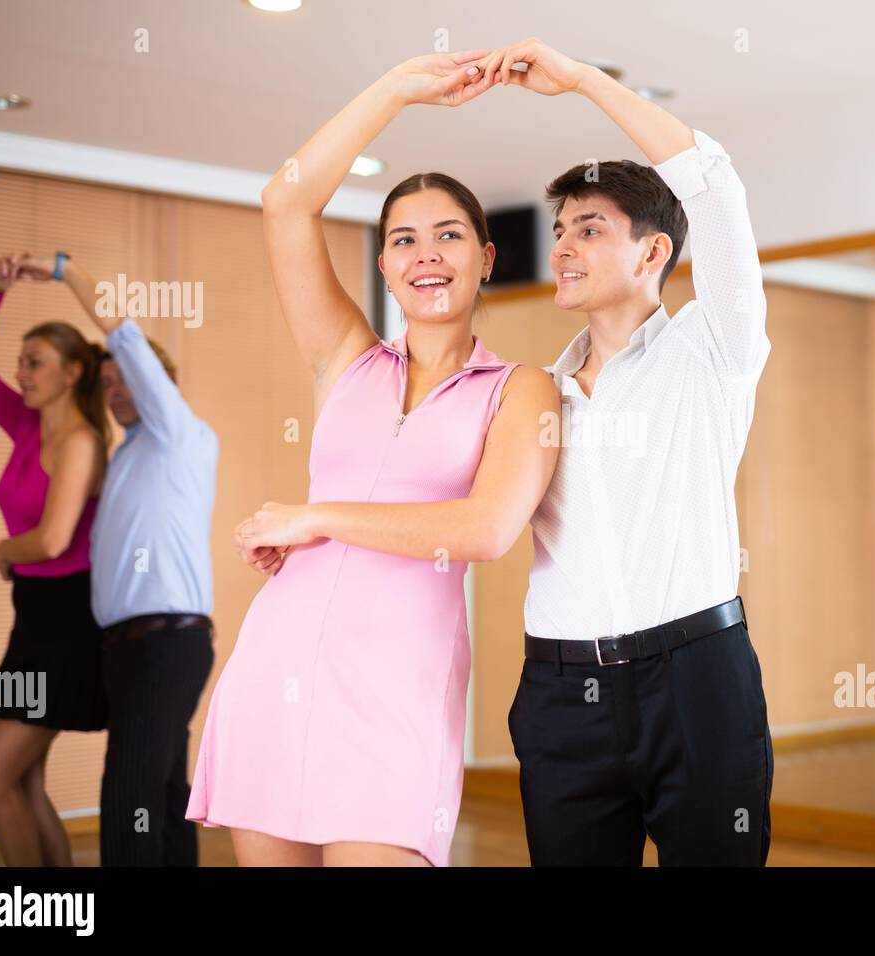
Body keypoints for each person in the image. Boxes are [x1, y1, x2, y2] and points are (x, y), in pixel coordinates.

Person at [187, 50, 559, 867]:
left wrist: (315, 516)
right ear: (386, 265)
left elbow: (486, 529)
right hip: (279, 668)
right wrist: (395, 90)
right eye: (404, 240)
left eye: (450, 235)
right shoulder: (345, 358)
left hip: (398, 692)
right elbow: (286, 199)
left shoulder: (522, 389)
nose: (427, 254)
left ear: (486, 258)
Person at [482, 38, 773, 866]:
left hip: (698, 682)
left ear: (653, 253)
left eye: (590, 228)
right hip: (560, 696)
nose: (563, 246)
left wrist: (580, 81)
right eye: (560, 229)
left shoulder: (714, 350)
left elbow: (712, 185)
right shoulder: (531, 393)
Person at [7, 252, 219, 866]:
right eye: (105, 384)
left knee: (128, 792)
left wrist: (63, 270)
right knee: (159, 788)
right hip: (127, 645)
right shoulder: (123, 456)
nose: (115, 388)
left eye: (125, 377)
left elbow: (121, 332)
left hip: (165, 641)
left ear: (157, 379)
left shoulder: (180, 434)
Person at [0, 254, 110, 865]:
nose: (21, 373)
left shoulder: (81, 442)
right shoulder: (23, 426)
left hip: (68, 625)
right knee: (24, 781)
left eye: (35, 363)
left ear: (73, 372)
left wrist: (1, 550)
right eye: (20, 362)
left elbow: (50, 541)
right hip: (34, 619)